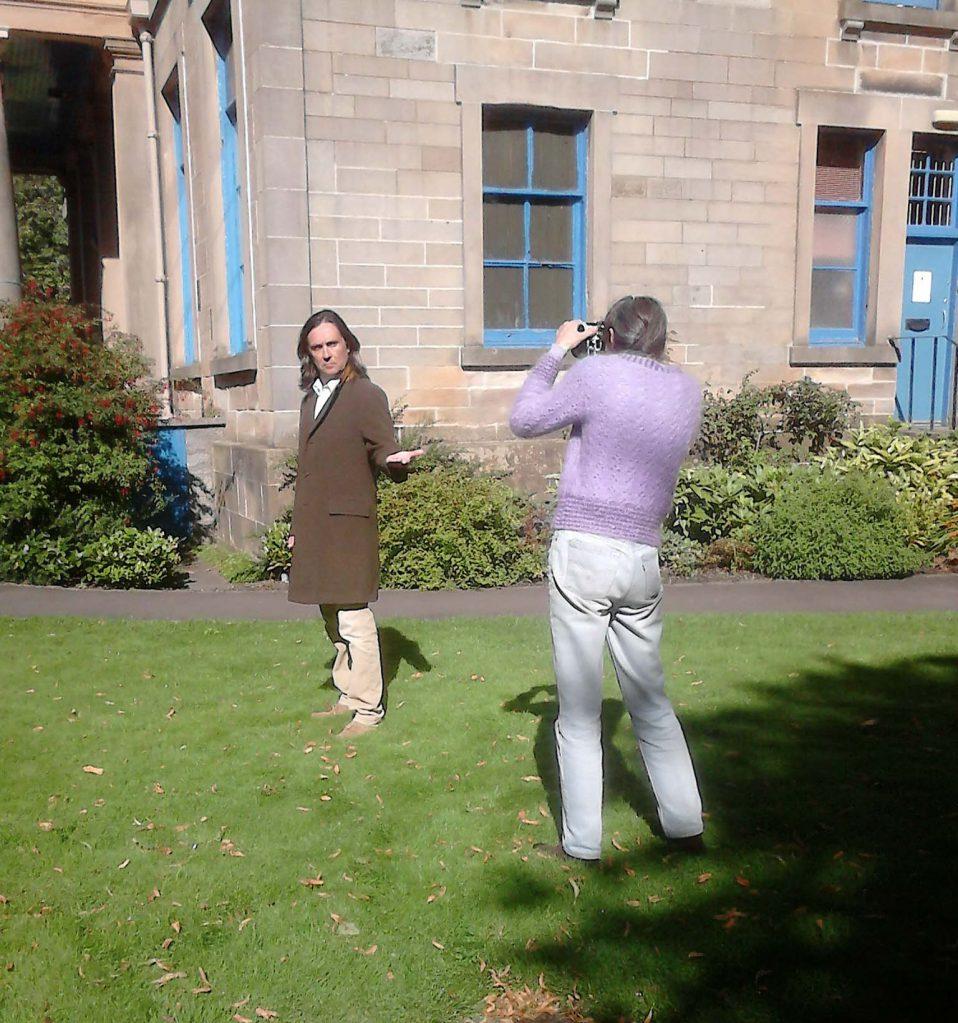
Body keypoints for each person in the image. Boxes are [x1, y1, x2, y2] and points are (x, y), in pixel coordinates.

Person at [509, 296, 705, 863]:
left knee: (578, 711)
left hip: (585, 551)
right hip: (642, 553)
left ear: (608, 335)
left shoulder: (594, 374)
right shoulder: (686, 391)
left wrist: (557, 351)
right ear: (662, 338)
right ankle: (686, 826)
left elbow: (525, 419)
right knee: (650, 700)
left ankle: (581, 845)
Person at [287, 309, 423, 739]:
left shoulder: (365, 394)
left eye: (333, 343)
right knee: (330, 613)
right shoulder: (310, 399)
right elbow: (307, 469)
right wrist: (297, 528)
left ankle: (368, 709)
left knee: (352, 616)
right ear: (308, 354)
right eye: (317, 347)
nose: (326, 353)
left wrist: (394, 460)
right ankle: (348, 692)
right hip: (315, 524)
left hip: (348, 525)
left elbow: (383, 448)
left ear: (348, 345)